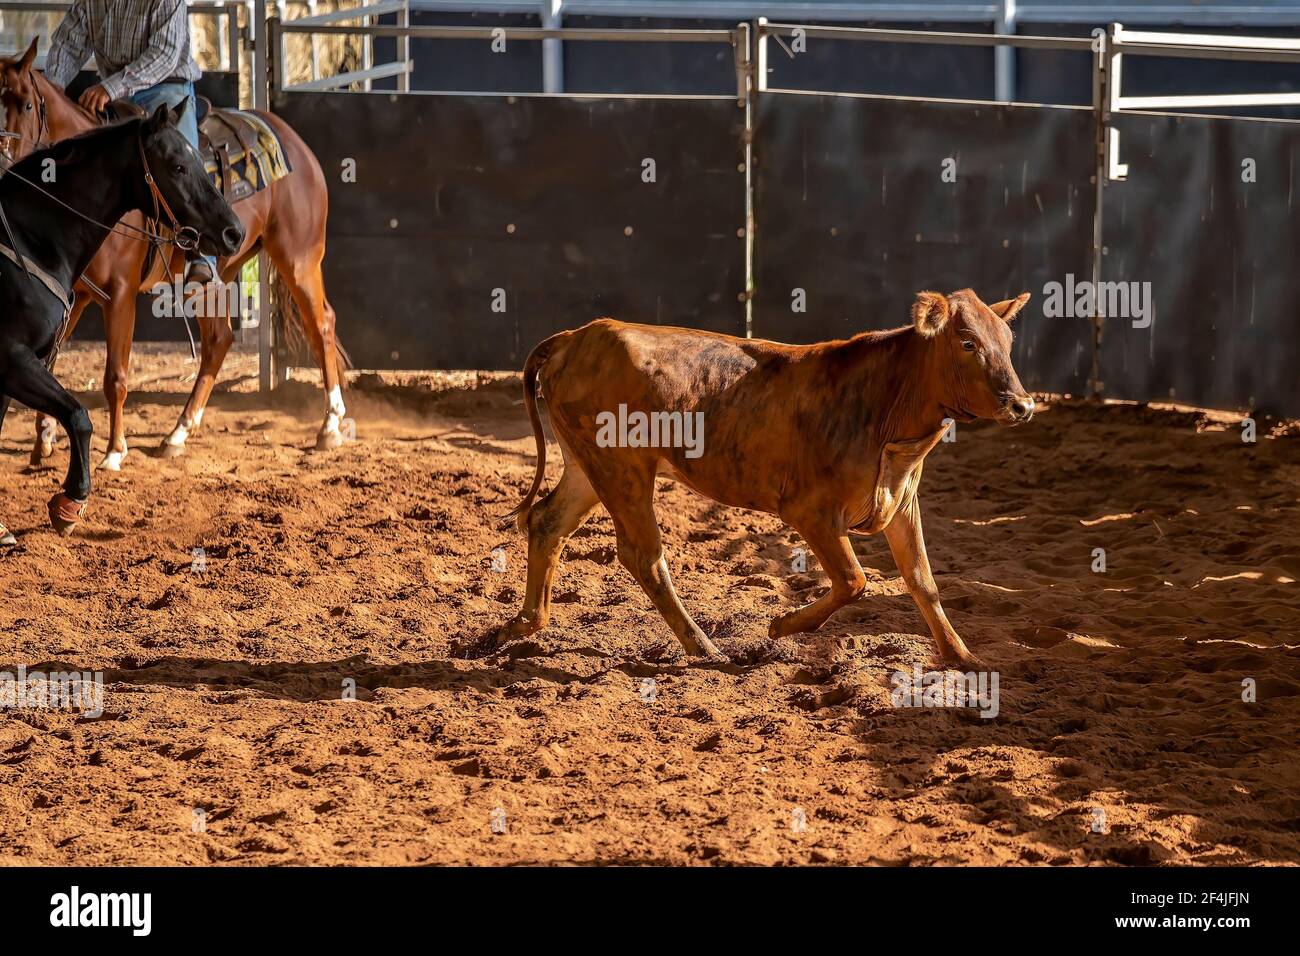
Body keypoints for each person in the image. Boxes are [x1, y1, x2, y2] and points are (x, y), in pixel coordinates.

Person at [44, 0, 217, 285]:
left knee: (182, 157)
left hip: (165, 87)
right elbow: (68, 45)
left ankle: (202, 253)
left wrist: (109, 87)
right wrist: (51, 91)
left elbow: (165, 53)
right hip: (115, 93)